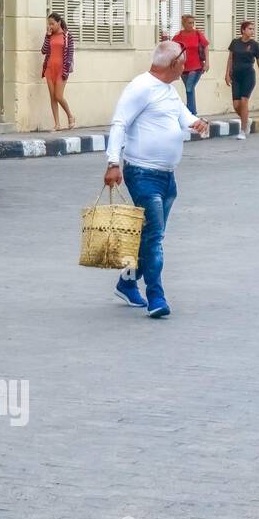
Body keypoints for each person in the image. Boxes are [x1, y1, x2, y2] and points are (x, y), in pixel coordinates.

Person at [104, 41, 209, 319]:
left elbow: (183, 116)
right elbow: (119, 124)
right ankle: (156, 296)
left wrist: (197, 123)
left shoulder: (169, 91)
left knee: (149, 237)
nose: (186, 65)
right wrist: (113, 162)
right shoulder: (140, 87)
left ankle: (127, 282)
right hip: (143, 175)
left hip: (167, 179)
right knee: (154, 240)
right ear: (173, 64)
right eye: (183, 60)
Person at [224, 21, 259, 140]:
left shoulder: (255, 45)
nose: (252, 31)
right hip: (236, 76)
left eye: (253, 29)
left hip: (248, 76)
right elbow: (230, 58)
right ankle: (246, 120)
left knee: (244, 101)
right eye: (250, 29)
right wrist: (227, 74)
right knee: (236, 105)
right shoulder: (235, 43)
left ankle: (242, 130)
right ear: (243, 30)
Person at [41, 12, 75, 131]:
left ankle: (70, 116)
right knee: (53, 97)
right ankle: (57, 124)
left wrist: (66, 70)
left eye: (52, 24)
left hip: (62, 69)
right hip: (50, 69)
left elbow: (70, 55)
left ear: (59, 22)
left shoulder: (67, 36)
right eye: (48, 24)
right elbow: (43, 51)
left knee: (59, 96)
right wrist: (47, 35)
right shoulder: (49, 35)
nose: (50, 26)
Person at [170, 14, 209, 115]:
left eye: (193, 23)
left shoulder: (197, 34)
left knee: (189, 88)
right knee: (189, 89)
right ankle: (191, 112)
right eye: (189, 23)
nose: (191, 25)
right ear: (184, 24)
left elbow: (205, 47)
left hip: (197, 67)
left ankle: (191, 112)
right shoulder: (178, 36)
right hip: (183, 68)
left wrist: (207, 63)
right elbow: (173, 49)